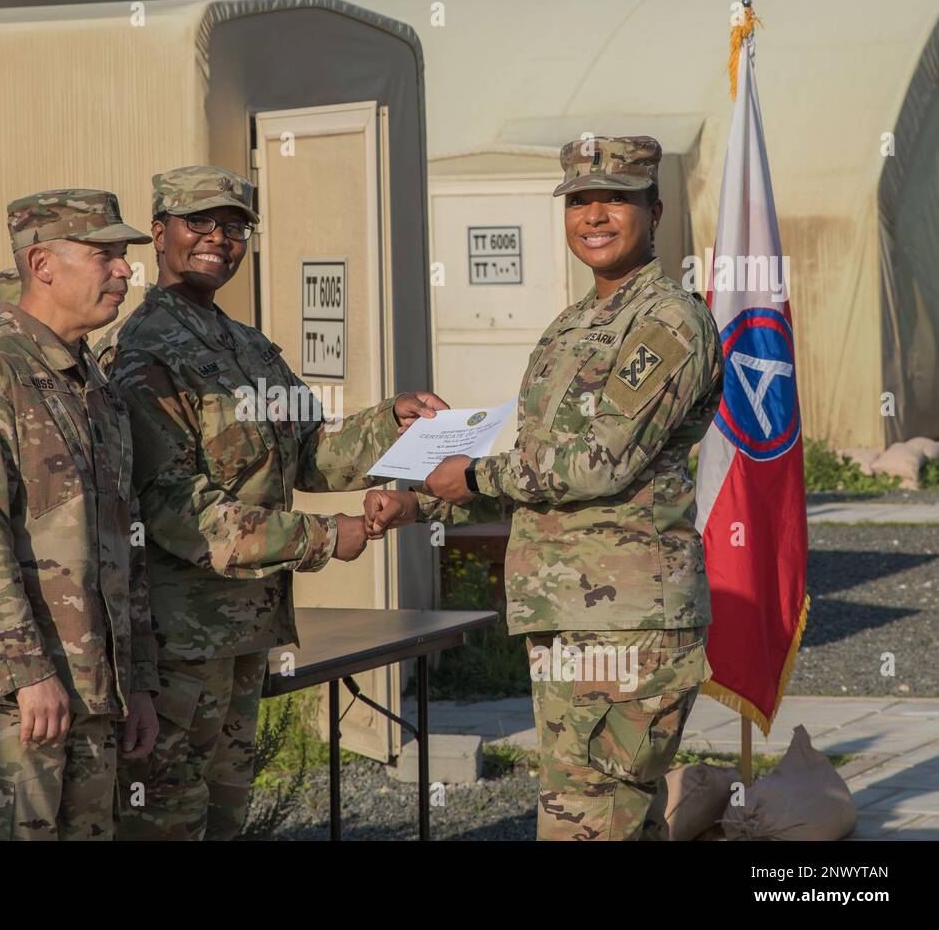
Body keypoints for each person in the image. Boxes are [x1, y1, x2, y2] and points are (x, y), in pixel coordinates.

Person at [365, 136, 723, 840]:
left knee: (585, 820)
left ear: (654, 210)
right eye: (580, 200)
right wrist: (422, 500)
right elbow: (541, 469)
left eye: (615, 199)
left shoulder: (667, 321)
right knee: (613, 819)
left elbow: (599, 464)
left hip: (624, 621)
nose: (595, 215)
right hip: (569, 613)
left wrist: (470, 474)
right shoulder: (573, 325)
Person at [97, 165, 447, 840]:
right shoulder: (143, 354)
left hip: (243, 637)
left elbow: (310, 449)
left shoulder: (249, 348)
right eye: (199, 222)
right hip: (177, 647)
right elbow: (178, 509)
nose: (218, 239)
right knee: (164, 822)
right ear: (160, 231)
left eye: (234, 226)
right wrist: (321, 537)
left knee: (225, 819)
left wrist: (392, 422)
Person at [0, 189, 160, 840]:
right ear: (42, 265)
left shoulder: (96, 392)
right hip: (2, 700)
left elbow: (125, 549)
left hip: (89, 697)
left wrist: (139, 682)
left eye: (124, 257)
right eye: (105, 255)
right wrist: (27, 671)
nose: (125, 271)